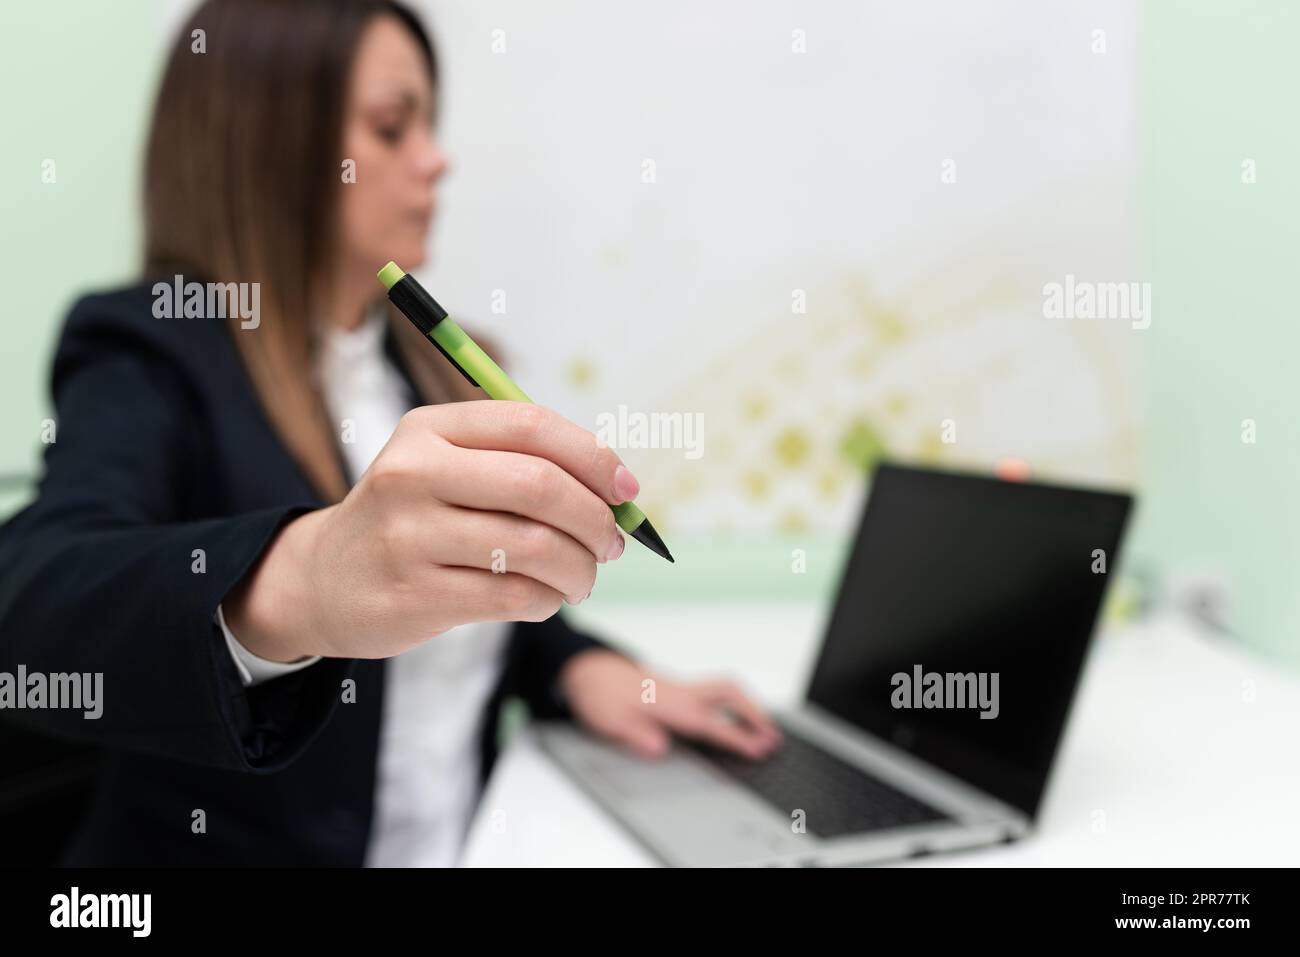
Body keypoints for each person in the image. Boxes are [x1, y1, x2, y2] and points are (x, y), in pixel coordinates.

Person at [0, 0, 779, 866]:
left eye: (429, 128)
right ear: (272, 142)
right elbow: (29, 598)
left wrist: (574, 666)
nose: (436, 161)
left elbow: (460, 621)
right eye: (391, 127)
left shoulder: (439, 369)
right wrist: (305, 579)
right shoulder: (151, 344)